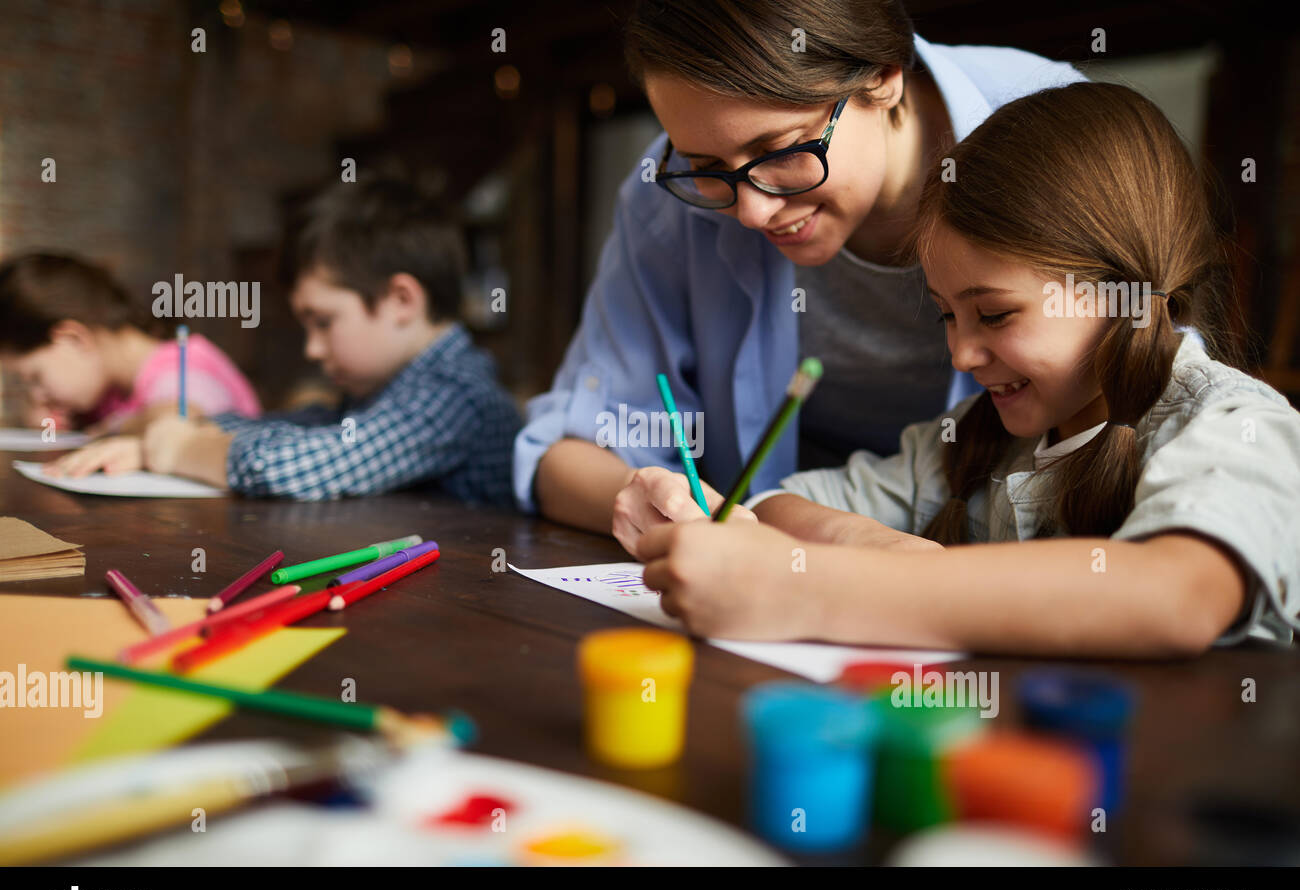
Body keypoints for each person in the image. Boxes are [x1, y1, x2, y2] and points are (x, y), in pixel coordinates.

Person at [638, 82, 1300, 657]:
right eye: (947, 316)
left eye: (996, 314)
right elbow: (784, 503)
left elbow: (1176, 596)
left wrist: (807, 591)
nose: (960, 355)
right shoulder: (969, 440)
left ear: (1115, 294)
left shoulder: (1236, 427)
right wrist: (878, 548)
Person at [515, 0, 1085, 553]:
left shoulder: (1062, 131)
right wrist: (682, 510)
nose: (752, 214)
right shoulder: (670, 200)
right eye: (706, 168)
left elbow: (1155, 402)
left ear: (885, 77)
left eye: (779, 149)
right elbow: (562, 453)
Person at [138, 176, 521, 504]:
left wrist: (181, 449)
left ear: (402, 300)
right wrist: (199, 426)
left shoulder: (453, 397)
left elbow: (298, 465)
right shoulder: (390, 384)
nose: (312, 349)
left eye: (323, 322)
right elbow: (304, 428)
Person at [0, 252, 259, 475]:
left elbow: (180, 417)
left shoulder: (185, 364)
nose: (38, 394)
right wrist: (51, 424)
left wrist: (105, 429)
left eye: (35, 377)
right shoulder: (107, 391)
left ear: (73, 339)